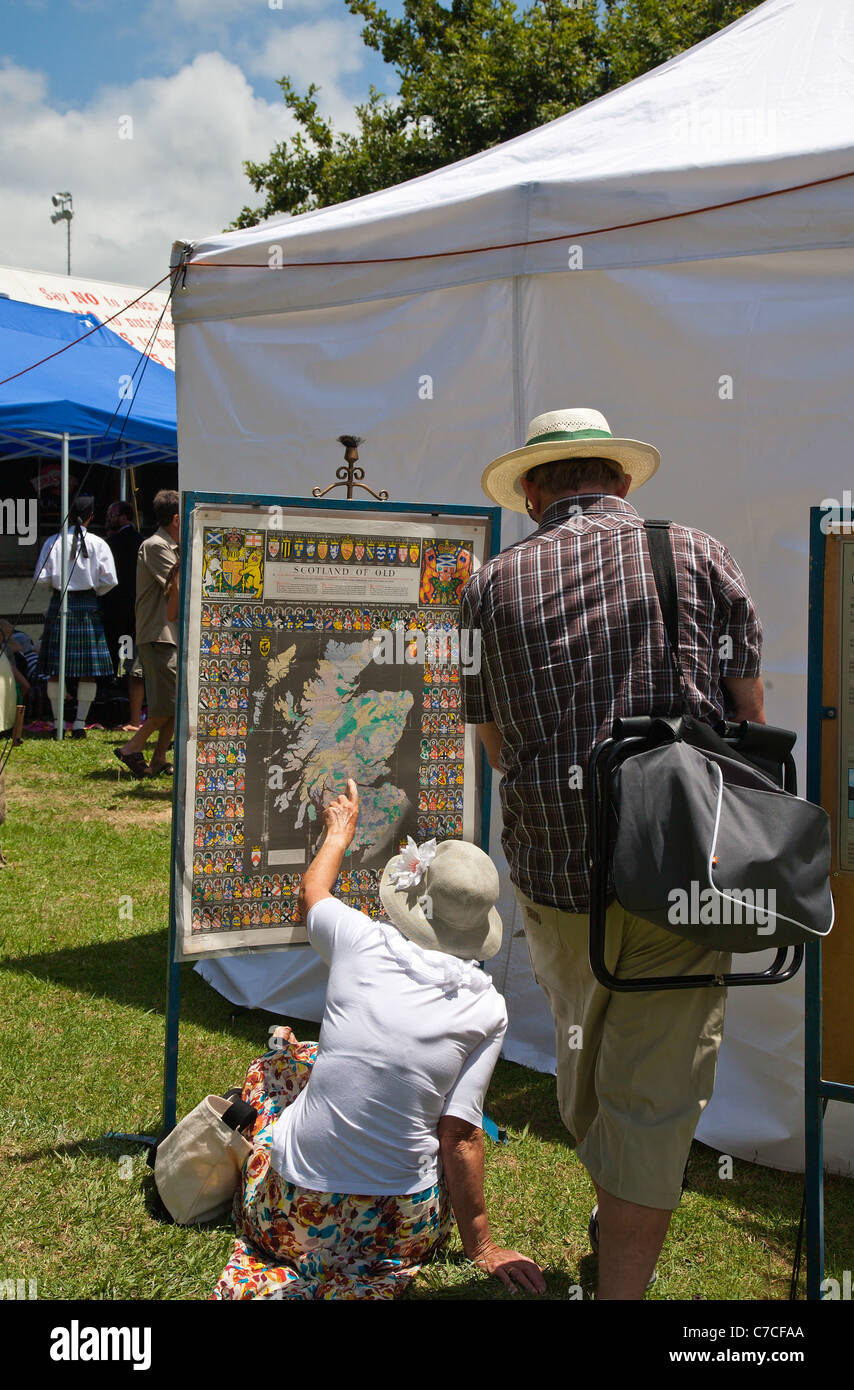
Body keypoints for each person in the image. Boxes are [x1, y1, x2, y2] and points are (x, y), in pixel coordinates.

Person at [460, 407, 764, 1301]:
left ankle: (615, 1239)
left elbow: (497, 747)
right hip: (685, 865)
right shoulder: (700, 554)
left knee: (583, 1063)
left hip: (556, 874)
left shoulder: (489, 585)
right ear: (622, 483)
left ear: (529, 492)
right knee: (655, 1088)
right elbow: (748, 712)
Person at [212, 779, 545, 1301]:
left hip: (290, 1214)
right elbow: (459, 1134)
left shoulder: (360, 940)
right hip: (394, 1232)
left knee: (279, 1080)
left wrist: (339, 833)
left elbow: (313, 894)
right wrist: (481, 1245)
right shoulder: (487, 1006)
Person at [33, 495, 118, 737]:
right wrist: (92, 591)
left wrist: (57, 585)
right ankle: (79, 724)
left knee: (55, 669)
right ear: (91, 516)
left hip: (60, 602)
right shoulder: (99, 543)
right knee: (87, 670)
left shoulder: (53, 541)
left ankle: (59, 722)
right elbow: (109, 580)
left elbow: (40, 578)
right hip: (88, 605)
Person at [115, 490, 180, 778]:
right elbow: (177, 583)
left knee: (176, 704)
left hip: (170, 634)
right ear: (176, 519)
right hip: (159, 633)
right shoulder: (156, 546)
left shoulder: (168, 545)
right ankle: (132, 747)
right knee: (168, 703)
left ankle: (159, 758)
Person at [101, 499, 144, 730]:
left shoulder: (111, 543)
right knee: (131, 661)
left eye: (112, 514)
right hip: (136, 612)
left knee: (116, 659)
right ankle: (131, 707)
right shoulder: (141, 541)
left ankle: (114, 701)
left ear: (124, 516)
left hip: (114, 611)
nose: (108, 517)